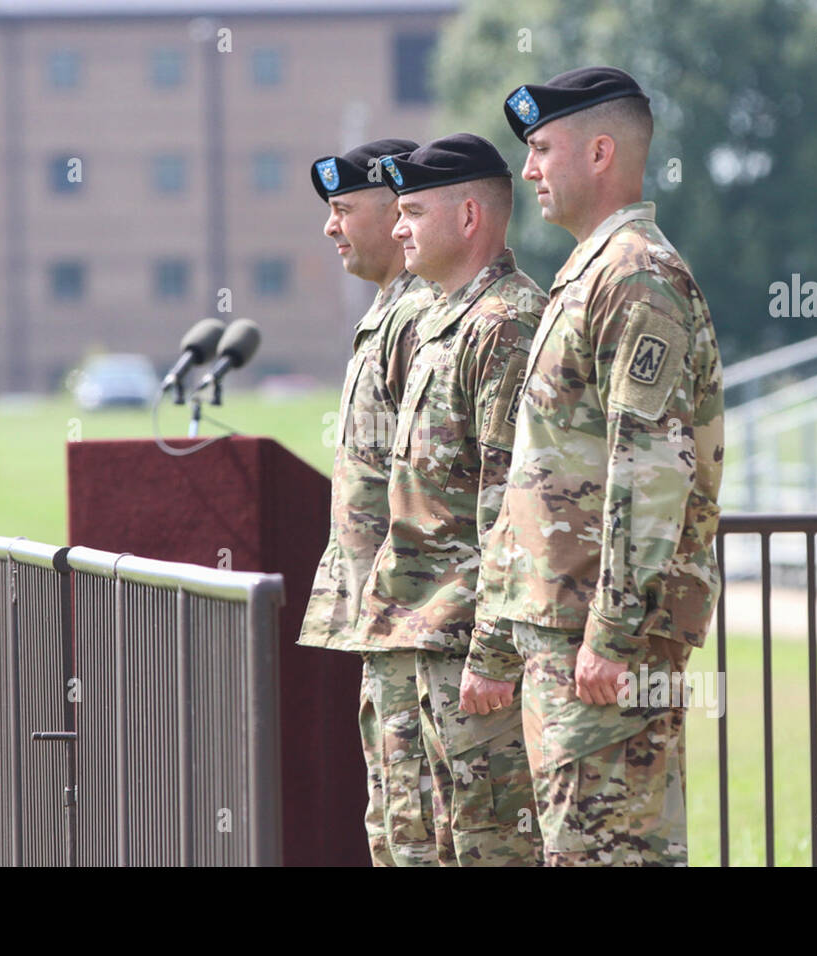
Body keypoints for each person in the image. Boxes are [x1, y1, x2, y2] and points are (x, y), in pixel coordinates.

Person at [467, 66, 725, 866]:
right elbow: (541, 476)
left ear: (601, 151)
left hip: (602, 645)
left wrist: (612, 635)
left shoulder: (635, 276)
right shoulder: (589, 272)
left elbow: (649, 469)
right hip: (562, 633)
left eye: (543, 149)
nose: (531, 169)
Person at [355, 133, 546, 866]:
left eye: (412, 211)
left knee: (488, 848)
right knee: (420, 846)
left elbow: (510, 506)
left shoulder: (505, 323)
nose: (397, 228)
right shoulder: (438, 318)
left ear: (469, 216)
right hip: (420, 635)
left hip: (472, 649)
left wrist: (496, 651)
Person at [297, 138, 440, 867]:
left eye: (344, 209)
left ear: (394, 214)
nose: (330, 227)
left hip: (424, 623)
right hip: (388, 622)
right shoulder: (392, 310)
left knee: (421, 833)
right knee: (393, 828)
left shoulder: (423, 316)